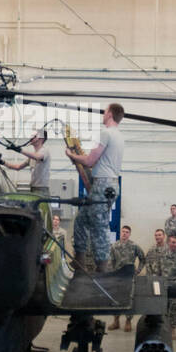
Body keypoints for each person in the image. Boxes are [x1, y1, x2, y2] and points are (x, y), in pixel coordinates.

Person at [64, 103, 124, 273]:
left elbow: (90, 161)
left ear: (110, 114)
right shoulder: (119, 136)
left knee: (100, 226)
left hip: (103, 184)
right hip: (109, 184)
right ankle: (80, 261)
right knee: (81, 220)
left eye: (105, 111)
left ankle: (102, 268)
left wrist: (72, 155)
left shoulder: (105, 133)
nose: (103, 114)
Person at [145, 229, 176, 339]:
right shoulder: (162, 255)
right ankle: (164, 329)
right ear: (168, 242)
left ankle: (173, 330)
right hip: (163, 286)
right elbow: (158, 270)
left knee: (174, 309)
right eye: (173, 242)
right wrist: (157, 283)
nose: (175, 244)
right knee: (163, 308)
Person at [107, 225, 146, 333]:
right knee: (115, 299)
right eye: (123, 231)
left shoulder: (134, 246)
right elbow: (110, 261)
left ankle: (128, 321)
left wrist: (138, 271)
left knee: (129, 299)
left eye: (127, 232)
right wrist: (111, 274)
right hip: (118, 276)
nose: (124, 233)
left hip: (129, 277)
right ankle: (116, 321)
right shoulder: (114, 246)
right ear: (120, 233)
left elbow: (143, 259)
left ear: (129, 234)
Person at [4, 129, 50, 195]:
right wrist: (2, 162)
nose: (30, 138)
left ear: (41, 139)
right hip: (33, 188)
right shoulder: (32, 157)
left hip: (42, 189)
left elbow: (37, 156)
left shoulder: (44, 151)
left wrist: (19, 150)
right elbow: (18, 167)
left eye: (34, 136)